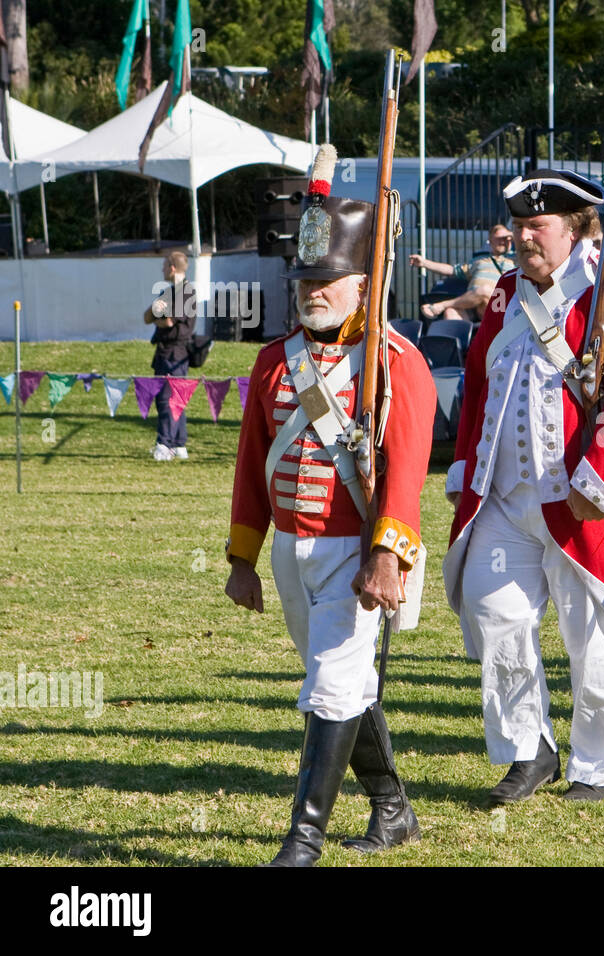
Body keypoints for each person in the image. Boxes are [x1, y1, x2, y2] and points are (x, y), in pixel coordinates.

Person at [224, 145, 436, 866]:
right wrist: (242, 557)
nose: (312, 289)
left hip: (356, 553)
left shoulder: (396, 364)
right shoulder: (272, 361)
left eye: (328, 278)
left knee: (332, 689)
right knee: (340, 686)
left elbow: (406, 471)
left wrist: (386, 554)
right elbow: (253, 465)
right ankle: (394, 807)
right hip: (291, 552)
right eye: (305, 277)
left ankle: (303, 838)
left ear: (363, 285)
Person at [442, 169, 604, 804]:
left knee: (593, 638)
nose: (523, 236)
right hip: (504, 497)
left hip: (581, 502)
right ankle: (528, 749)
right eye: (518, 225)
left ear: (577, 230)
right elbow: (480, 387)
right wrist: (466, 475)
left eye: (537, 226)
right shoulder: (504, 297)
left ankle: (597, 767)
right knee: (495, 619)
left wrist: (596, 482)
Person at [143, 250, 196, 461]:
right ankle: (179, 444)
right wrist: (156, 311)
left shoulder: (186, 292)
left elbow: (168, 322)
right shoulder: (169, 292)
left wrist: (158, 315)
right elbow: (147, 316)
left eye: (164, 265)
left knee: (168, 400)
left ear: (172, 268)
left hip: (176, 355)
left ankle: (164, 444)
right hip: (164, 353)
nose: (162, 269)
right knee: (174, 399)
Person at [409, 224, 514, 322]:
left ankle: (441, 305)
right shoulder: (478, 260)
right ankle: (459, 341)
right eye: (499, 239)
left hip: (500, 307)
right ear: (490, 241)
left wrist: (511, 235)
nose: (503, 241)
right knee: (451, 312)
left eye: (505, 238)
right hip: (474, 306)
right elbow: (451, 270)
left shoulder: (516, 259)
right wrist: (424, 263)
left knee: (484, 290)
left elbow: (527, 242)